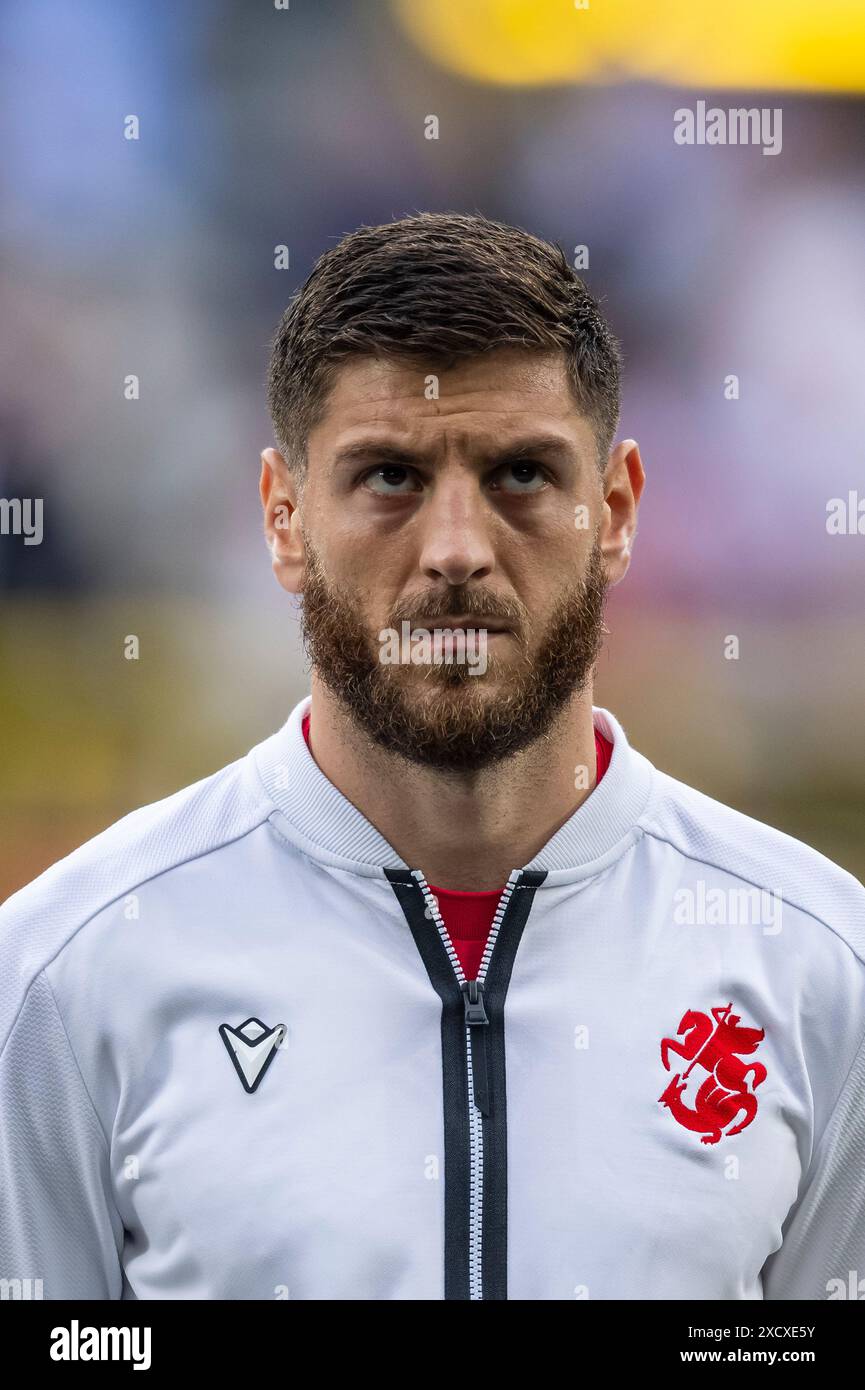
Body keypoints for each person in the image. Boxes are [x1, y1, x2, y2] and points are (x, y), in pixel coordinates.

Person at [1, 212, 863, 1301]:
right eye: (389, 477)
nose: (455, 549)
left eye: (518, 474)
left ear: (616, 511)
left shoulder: (823, 971)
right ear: (282, 518)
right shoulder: (60, 977)